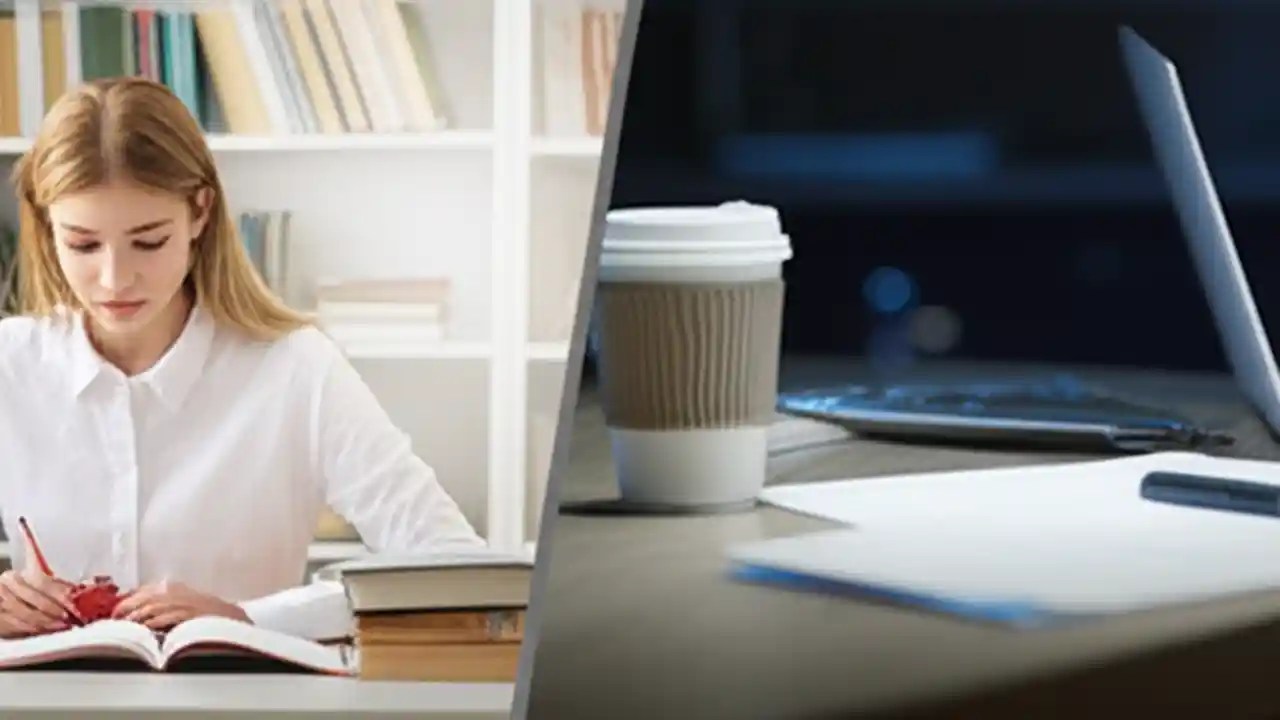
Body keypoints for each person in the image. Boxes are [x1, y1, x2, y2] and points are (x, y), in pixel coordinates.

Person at [0, 77, 485, 640]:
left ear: (200, 213)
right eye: (82, 245)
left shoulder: (296, 369)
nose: (115, 279)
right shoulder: (10, 364)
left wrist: (251, 619)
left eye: (149, 241)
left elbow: (455, 567)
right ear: (44, 224)